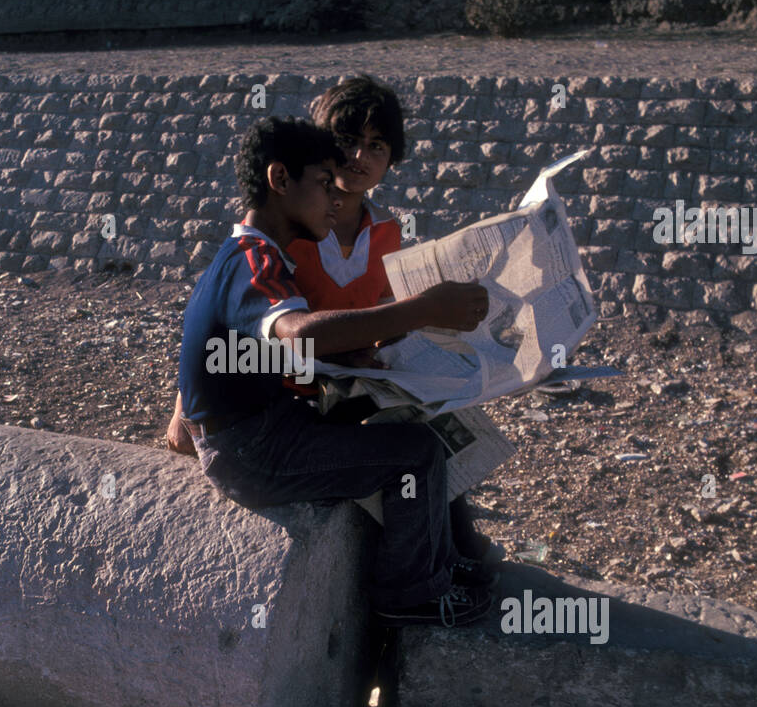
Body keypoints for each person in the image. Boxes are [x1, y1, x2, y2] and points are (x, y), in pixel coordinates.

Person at [168, 76, 505, 571]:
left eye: (376, 146)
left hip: (322, 385)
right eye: (344, 144)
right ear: (289, 176)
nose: (358, 158)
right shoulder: (280, 240)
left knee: (427, 418)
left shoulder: (379, 231)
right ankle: (418, 593)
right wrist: (185, 412)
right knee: (412, 452)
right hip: (282, 403)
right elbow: (243, 328)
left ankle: (456, 548)